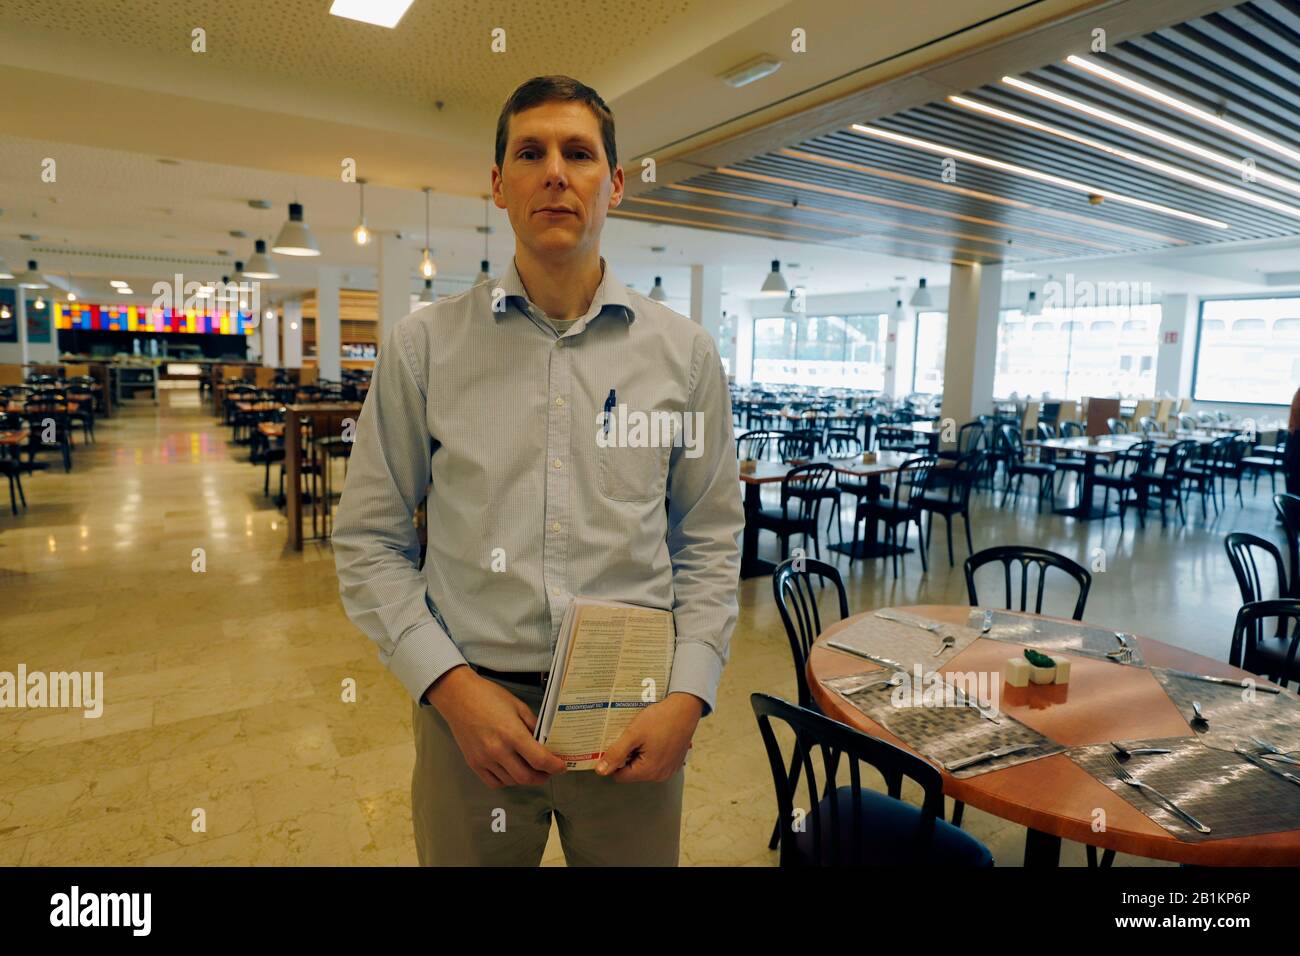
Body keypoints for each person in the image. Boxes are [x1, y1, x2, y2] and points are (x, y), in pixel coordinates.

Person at [332, 75, 745, 866]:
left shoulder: (684, 355)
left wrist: (689, 694)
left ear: (614, 184)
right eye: (531, 152)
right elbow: (369, 541)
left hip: (635, 712)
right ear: (498, 185)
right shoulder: (425, 348)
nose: (555, 171)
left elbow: (709, 535)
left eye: (579, 153)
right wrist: (447, 688)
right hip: (472, 714)